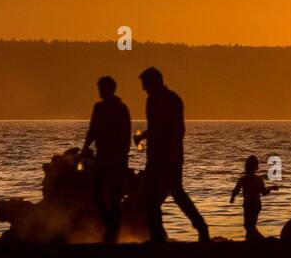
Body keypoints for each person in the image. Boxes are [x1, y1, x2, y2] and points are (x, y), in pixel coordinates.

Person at [137, 67, 209, 243]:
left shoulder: (173, 100)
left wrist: (175, 152)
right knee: (151, 196)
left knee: (177, 193)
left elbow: (179, 129)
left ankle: (201, 228)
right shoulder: (150, 101)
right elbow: (154, 127)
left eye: (146, 84)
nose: (143, 88)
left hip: (171, 156)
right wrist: (142, 136)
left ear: (156, 82)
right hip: (153, 156)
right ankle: (157, 235)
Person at [82, 76, 132, 243]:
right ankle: (110, 226)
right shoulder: (98, 107)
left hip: (117, 159)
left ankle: (112, 235)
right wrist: (84, 149)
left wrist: (122, 155)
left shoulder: (121, 109)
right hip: (102, 156)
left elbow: (126, 135)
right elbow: (92, 130)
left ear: (109, 89)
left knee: (115, 197)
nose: (99, 90)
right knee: (97, 193)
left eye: (101, 87)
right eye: (99, 87)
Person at [230, 154, 277, 241]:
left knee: (249, 226)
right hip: (253, 205)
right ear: (256, 168)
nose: (246, 167)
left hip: (251, 205)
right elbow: (264, 192)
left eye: (247, 165)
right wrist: (271, 188)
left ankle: (262, 240)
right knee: (250, 226)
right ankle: (250, 242)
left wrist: (232, 197)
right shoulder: (255, 179)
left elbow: (236, 190)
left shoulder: (245, 179)